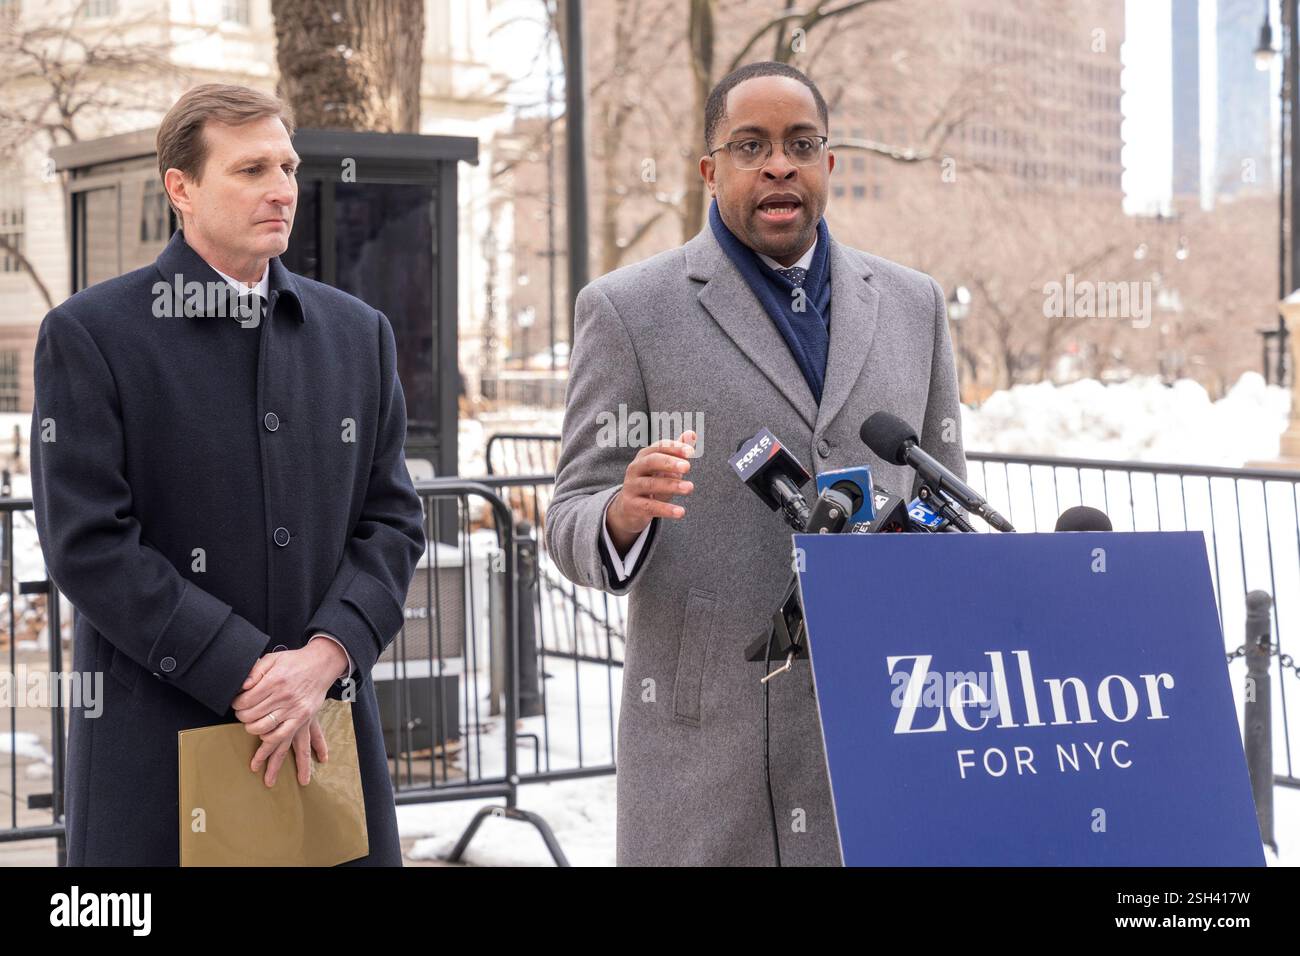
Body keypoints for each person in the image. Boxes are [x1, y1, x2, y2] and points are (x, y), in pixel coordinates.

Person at [546, 61, 966, 865]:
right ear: (711, 171)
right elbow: (569, 516)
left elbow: (946, 492)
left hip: (882, 737)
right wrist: (619, 514)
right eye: (751, 146)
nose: (780, 164)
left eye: (801, 144)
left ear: (829, 165)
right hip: (709, 753)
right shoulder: (628, 310)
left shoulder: (916, 305)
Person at [30, 83, 426, 865]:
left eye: (287, 165)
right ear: (181, 187)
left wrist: (326, 656)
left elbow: (393, 522)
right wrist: (244, 670)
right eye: (251, 170)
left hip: (325, 728)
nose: (282, 189)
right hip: (160, 744)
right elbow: (89, 546)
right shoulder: (92, 334)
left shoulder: (358, 334)